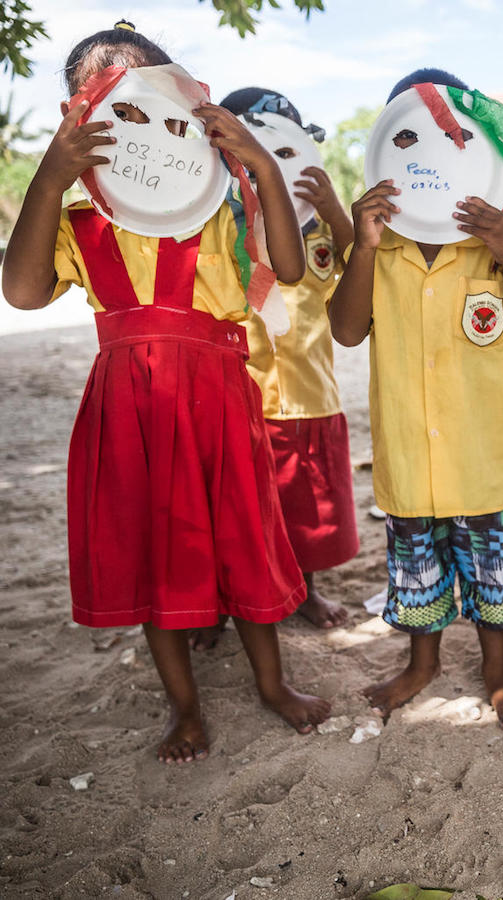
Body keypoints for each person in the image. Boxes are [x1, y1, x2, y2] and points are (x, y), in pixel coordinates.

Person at [1, 22, 330, 763]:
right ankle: (184, 710)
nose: (139, 123)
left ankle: (273, 685)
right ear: (78, 118)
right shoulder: (78, 209)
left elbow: (289, 265)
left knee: (242, 537)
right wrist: (49, 180)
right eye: (113, 103)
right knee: (155, 552)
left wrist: (261, 169)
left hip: (218, 397)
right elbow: (20, 293)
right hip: (129, 408)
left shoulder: (217, 196)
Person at [327, 68, 503, 730]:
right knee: (417, 573)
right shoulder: (378, 241)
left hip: (483, 460)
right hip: (408, 458)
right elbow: (345, 328)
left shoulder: (497, 237)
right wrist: (363, 247)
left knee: (495, 575)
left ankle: (498, 673)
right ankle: (422, 665)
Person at [221, 87, 359, 630]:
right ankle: (223, 605)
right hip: (242, 398)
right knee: (240, 512)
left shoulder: (322, 229)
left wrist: (331, 209)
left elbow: (358, 268)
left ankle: (304, 591)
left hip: (308, 393)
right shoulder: (220, 228)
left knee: (304, 512)